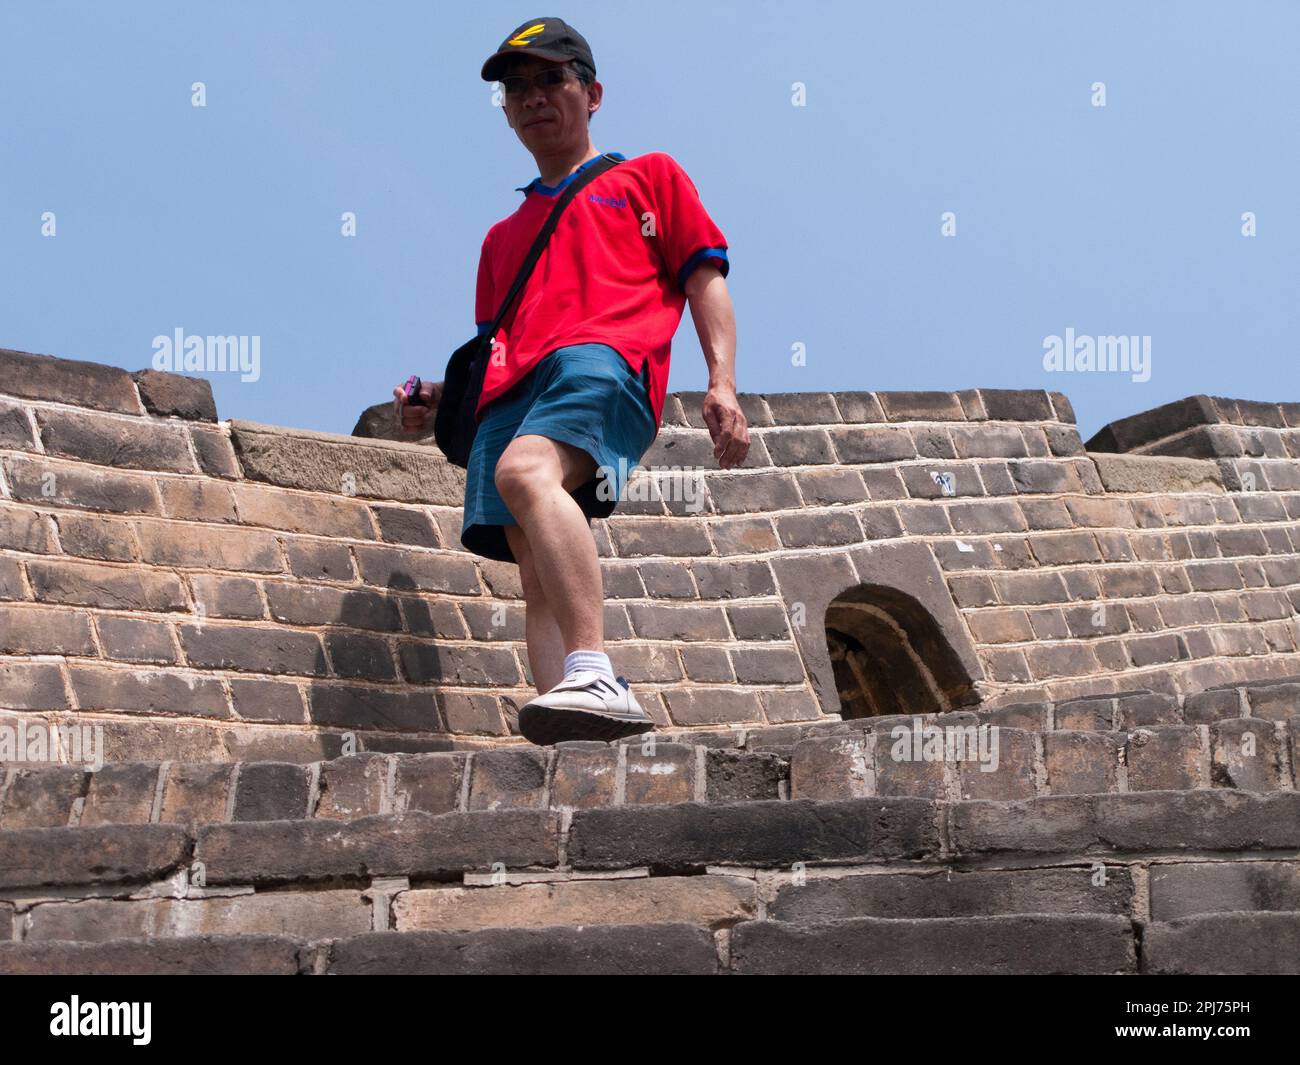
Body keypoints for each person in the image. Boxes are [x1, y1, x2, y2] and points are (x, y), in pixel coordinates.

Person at [395, 17, 748, 745]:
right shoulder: (500, 239)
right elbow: (502, 342)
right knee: (532, 564)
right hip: (511, 392)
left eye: (551, 79)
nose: (531, 98)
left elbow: (704, 279)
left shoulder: (648, 176)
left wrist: (723, 381)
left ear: (592, 93)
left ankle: (598, 672)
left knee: (527, 472)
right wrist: (440, 397)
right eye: (514, 89)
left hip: (602, 360)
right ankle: (571, 716)